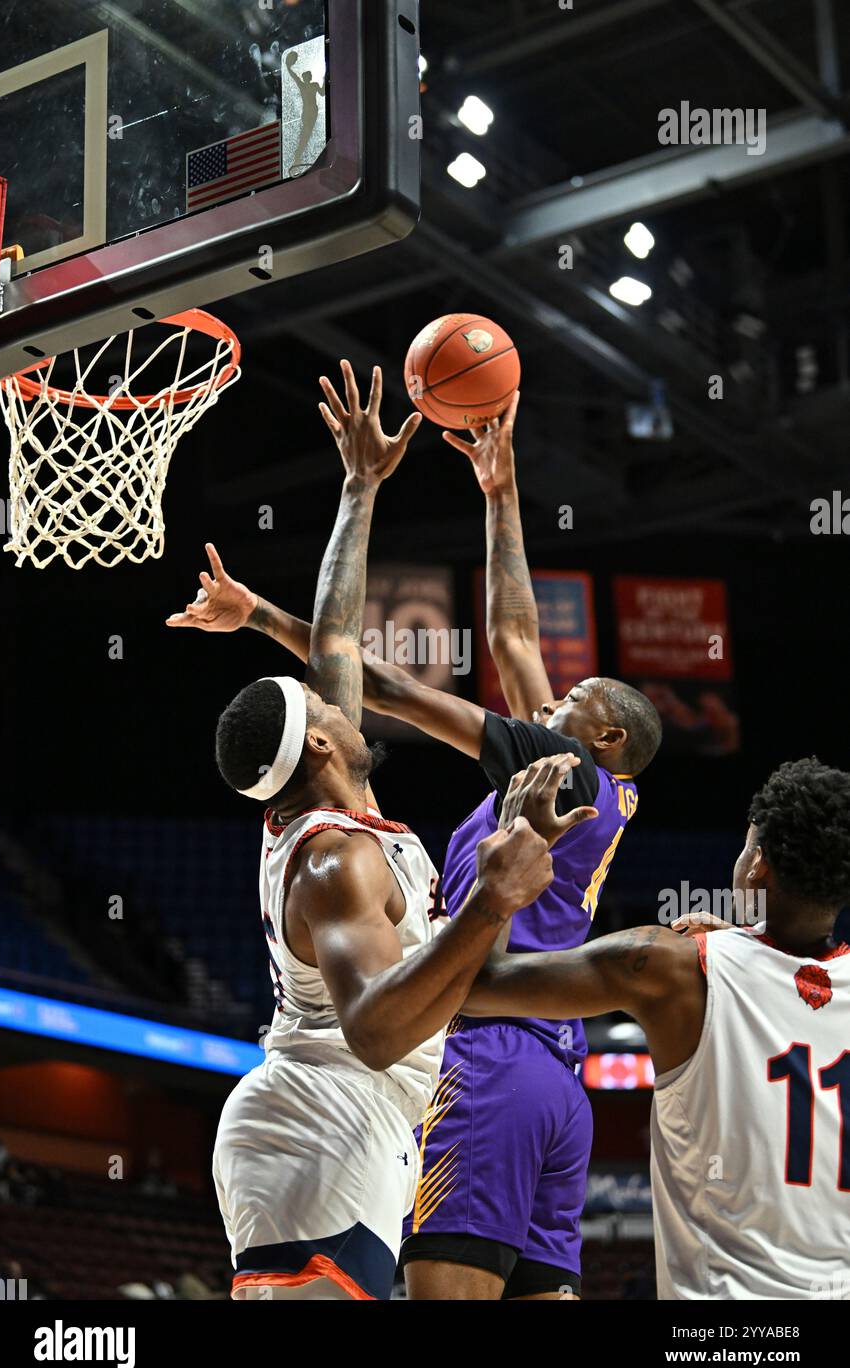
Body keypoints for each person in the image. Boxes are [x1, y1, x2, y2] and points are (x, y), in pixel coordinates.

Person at [168, 374, 661, 1300]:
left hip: (486, 1052)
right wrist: (500, 493)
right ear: (319, 741)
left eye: (566, 703)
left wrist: (344, 520)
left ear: (602, 740)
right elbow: (497, 642)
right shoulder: (349, 840)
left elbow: (380, 674)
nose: (545, 698)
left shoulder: (568, 769)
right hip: (527, 1064)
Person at [467, 754, 850, 1300]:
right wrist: (749, 942)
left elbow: (477, 985)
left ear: (758, 864)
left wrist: (510, 853)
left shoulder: (669, 966)